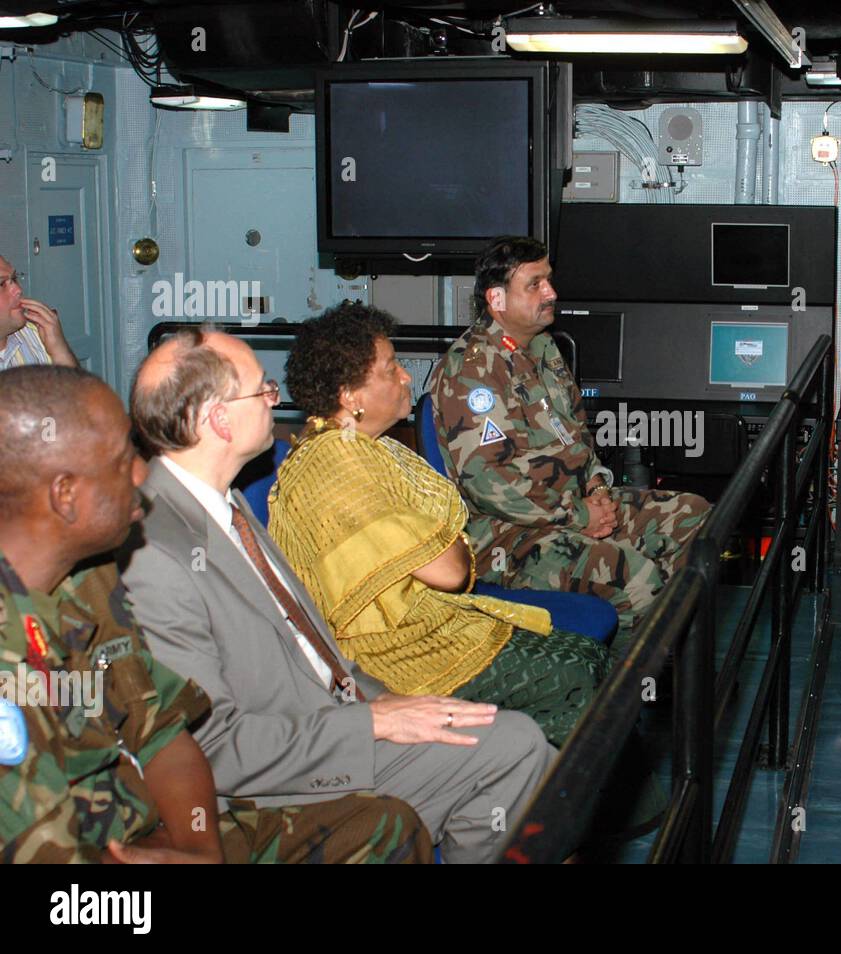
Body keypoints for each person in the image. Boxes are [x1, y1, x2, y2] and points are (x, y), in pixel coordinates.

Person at [118, 326, 557, 863]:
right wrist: (369, 723)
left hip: (331, 721)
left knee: (516, 743)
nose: (275, 402)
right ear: (219, 420)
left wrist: (383, 700)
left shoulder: (222, 503)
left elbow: (317, 655)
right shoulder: (155, 553)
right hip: (273, 784)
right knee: (515, 750)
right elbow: (212, 750)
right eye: (263, 391)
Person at [0, 364, 433, 863]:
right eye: (123, 462)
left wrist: (199, 846)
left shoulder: (90, 580)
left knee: (384, 826)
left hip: (165, 830)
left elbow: (163, 731)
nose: (143, 476)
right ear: (66, 496)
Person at [269, 305, 609, 747]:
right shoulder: (338, 463)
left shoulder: (364, 448)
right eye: (391, 369)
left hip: (429, 622)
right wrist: (448, 544)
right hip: (398, 654)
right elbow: (448, 570)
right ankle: (559, 802)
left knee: (588, 656)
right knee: (579, 672)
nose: (407, 377)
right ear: (350, 395)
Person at [433, 236, 710, 647]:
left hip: (577, 502)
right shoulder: (471, 372)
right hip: (507, 536)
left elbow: (578, 435)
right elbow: (490, 484)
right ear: (497, 298)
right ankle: (625, 692)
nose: (552, 293)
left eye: (549, 281)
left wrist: (597, 487)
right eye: (535, 284)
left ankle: (674, 660)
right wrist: (579, 516)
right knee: (636, 578)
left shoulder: (544, 348)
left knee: (696, 517)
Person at [0, 254, 78, 369]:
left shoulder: (36, 333)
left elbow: (76, 386)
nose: (18, 290)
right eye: (2, 284)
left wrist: (60, 351)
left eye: (14, 278)